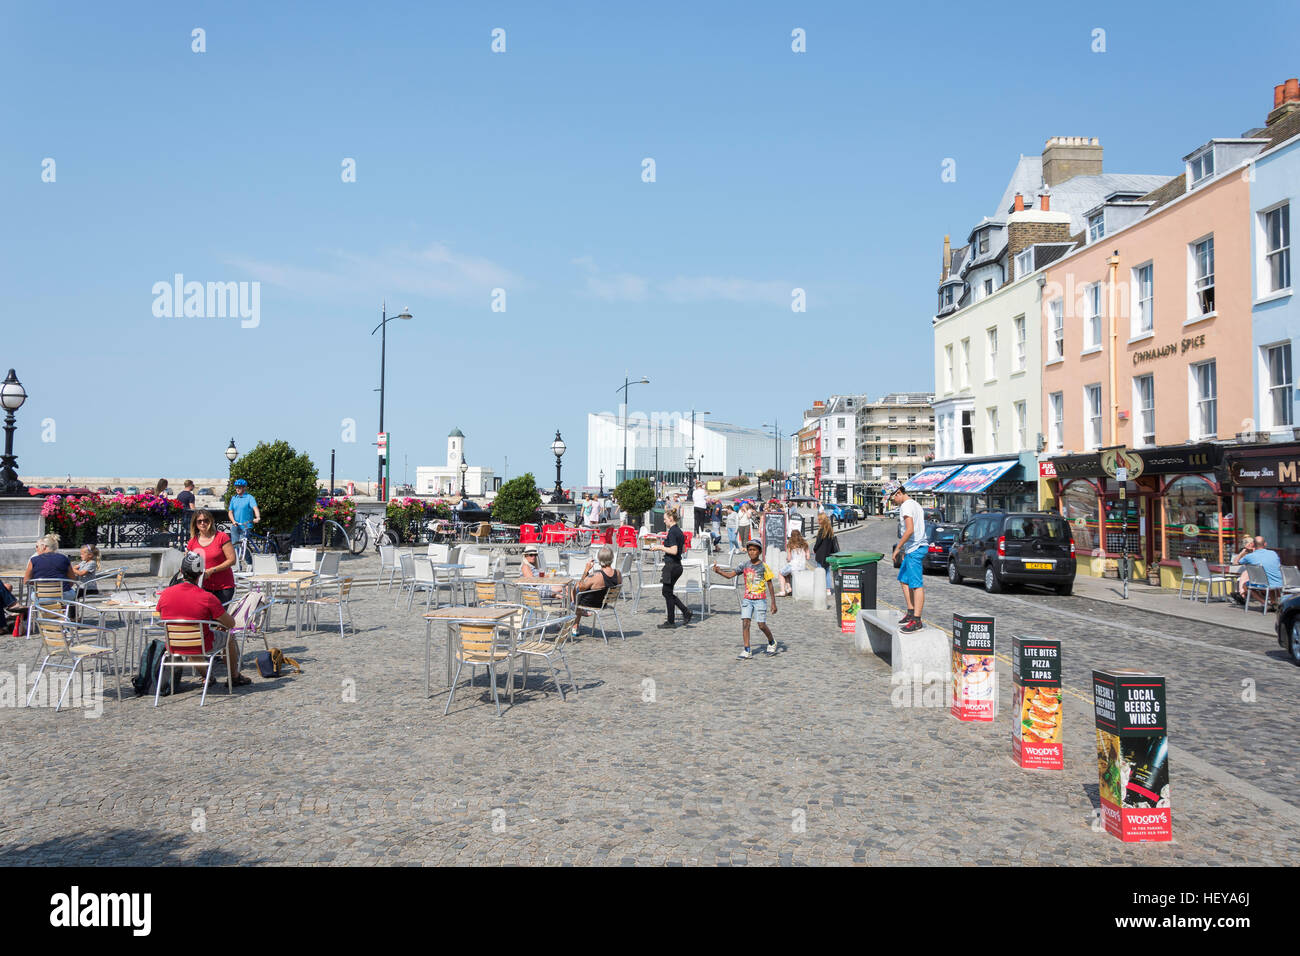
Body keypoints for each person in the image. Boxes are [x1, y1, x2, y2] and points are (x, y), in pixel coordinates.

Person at [155, 550, 250, 687]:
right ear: (201, 574)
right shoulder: (206, 597)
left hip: (173, 644)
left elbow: (160, 615)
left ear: (181, 571)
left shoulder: (166, 593)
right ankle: (234, 676)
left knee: (190, 640)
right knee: (228, 638)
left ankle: (207, 676)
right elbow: (230, 623)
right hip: (202, 643)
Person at [712, 540, 778, 658]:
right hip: (747, 599)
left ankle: (772, 641)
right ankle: (747, 650)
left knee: (761, 625)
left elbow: (770, 584)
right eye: (750, 550)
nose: (752, 552)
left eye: (754, 550)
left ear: (759, 551)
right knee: (745, 623)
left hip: (760, 599)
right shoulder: (744, 565)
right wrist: (719, 571)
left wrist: (773, 602)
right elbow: (730, 575)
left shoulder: (763, 567)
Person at [886, 480, 926, 633]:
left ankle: (917, 619)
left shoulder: (906, 506)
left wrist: (898, 549)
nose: (892, 502)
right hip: (912, 548)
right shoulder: (915, 504)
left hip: (916, 548)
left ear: (898, 493)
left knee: (916, 584)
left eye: (892, 498)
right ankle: (910, 611)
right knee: (903, 579)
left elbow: (909, 530)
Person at [651, 507, 691, 629]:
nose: (664, 521)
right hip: (677, 565)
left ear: (671, 519)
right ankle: (675, 618)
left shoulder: (673, 532)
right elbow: (683, 549)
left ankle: (680, 615)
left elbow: (674, 551)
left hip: (672, 565)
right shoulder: (679, 531)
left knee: (666, 592)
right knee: (667, 592)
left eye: (665, 519)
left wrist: (660, 547)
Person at [187, 510, 237, 606]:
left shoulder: (221, 537)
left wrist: (212, 570)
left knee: (217, 618)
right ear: (195, 523)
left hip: (223, 587)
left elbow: (232, 560)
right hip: (201, 587)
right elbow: (188, 562)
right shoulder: (192, 541)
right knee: (203, 617)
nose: (203, 523)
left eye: (206, 520)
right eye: (199, 521)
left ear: (211, 521)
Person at [573, 546, 623, 637]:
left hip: (590, 603)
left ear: (599, 559)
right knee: (579, 590)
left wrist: (586, 570)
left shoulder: (597, 575)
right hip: (604, 603)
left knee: (575, 587)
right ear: (612, 558)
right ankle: (577, 612)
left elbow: (581, 587)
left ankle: (574, 617)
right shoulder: (618, 573)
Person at [1232, 534, 1283, 606]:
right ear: (1265, 544)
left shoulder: (1250, 556)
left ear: (1253, 544)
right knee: (1270, 580)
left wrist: (1243, 552)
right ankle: (1274, 603)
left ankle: (1265, 603)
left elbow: (1235, 563)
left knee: (1245, 585)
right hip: (1279, 583)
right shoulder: (1273, 553)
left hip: (1264, 584)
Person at [227, 478, 260, 553]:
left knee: (243, 546)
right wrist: (233, 521)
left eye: (239, 487)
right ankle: (237, 563)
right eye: (236, 487)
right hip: (236, 525)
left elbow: (255, 508)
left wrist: (258, 517)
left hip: (246, 526)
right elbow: (230, 512)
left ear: (244, 488)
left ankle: (249, 562)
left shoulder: (249, 498)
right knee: (235, 545)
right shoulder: (234, 498)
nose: (237, 489)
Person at [812, 513, 838, 599]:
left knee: (820, 572)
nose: (818, 521)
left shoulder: (821, 530)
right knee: (827, 572)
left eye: (819, 520)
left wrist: (814, 549)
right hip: (828, 554)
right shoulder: (830, 530)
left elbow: (818, 543)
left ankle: (821, 588)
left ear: (822, 520)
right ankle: (828, 589)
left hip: (820, 554)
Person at [779, 530, 810, 596]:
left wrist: (787, 558)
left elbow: (789, 559)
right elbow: (808, 557)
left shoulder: (790, 545)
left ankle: (782, 591)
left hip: (793, 565)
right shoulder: (805, 544)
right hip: (802, 566)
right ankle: (789, 587)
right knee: (787, 573)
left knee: (781, 573)